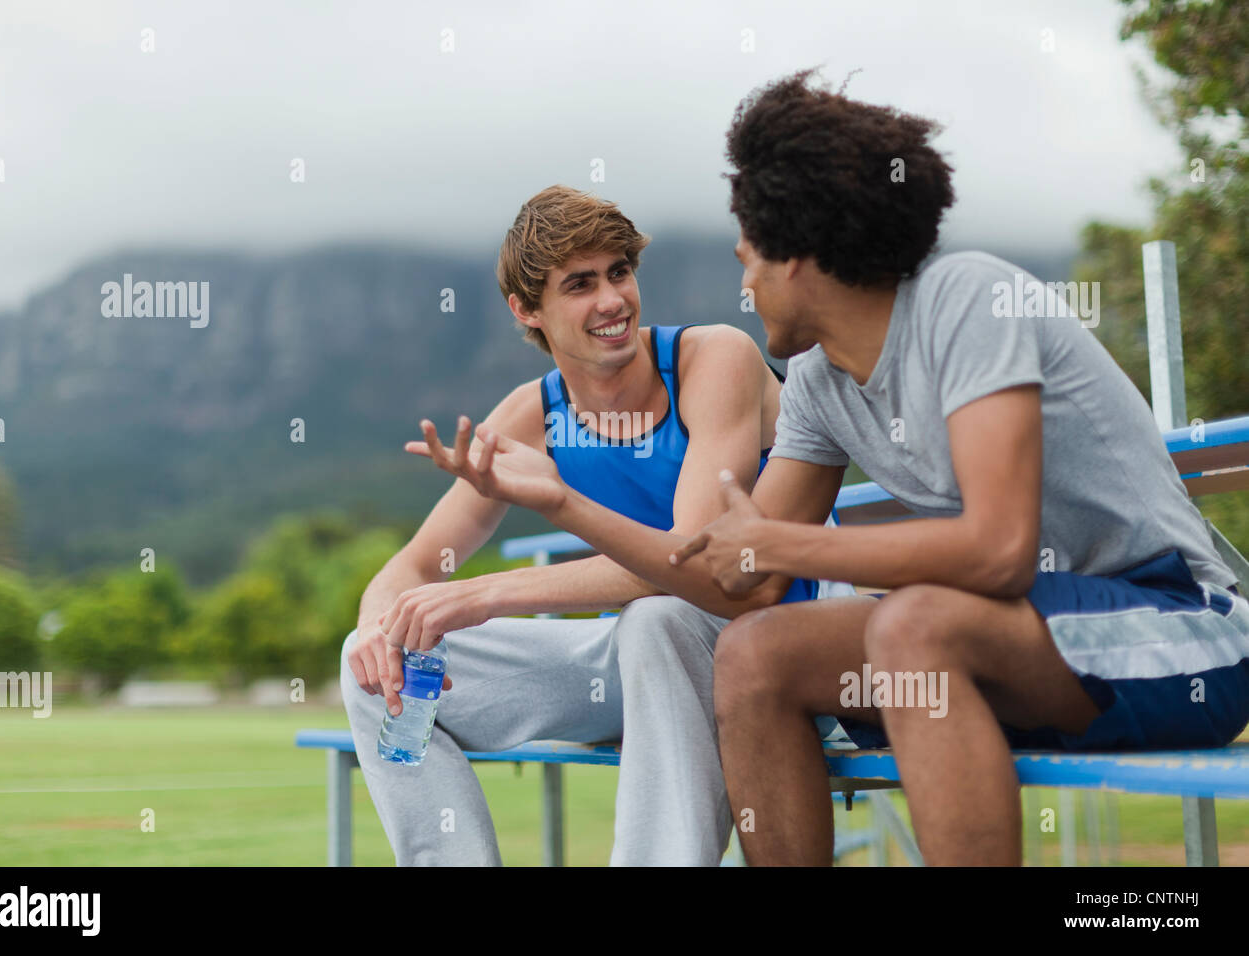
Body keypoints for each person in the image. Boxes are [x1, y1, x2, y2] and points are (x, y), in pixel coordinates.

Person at [423, 71, 1249, 867]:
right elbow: (734, 581)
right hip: (1009, 646)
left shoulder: (968, 299)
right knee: (757, 651)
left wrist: (785, 547)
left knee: (911, 626)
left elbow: (998, 549)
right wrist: (565, 503)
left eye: (750, 259)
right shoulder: (818, 384)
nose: (742, 282)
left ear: (800, 258)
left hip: (1178, 627)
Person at [342, 183, 851, 866]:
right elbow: (411, 565)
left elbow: (696, 565)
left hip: (773, 648)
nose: (612, 300)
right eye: (579, 284)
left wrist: (488, 592)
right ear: (528, 310)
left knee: (658, 621)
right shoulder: (531, 413)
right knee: (369, 662)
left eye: (620, 272)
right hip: (642, 666)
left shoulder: (711, 359)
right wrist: (382, 629)